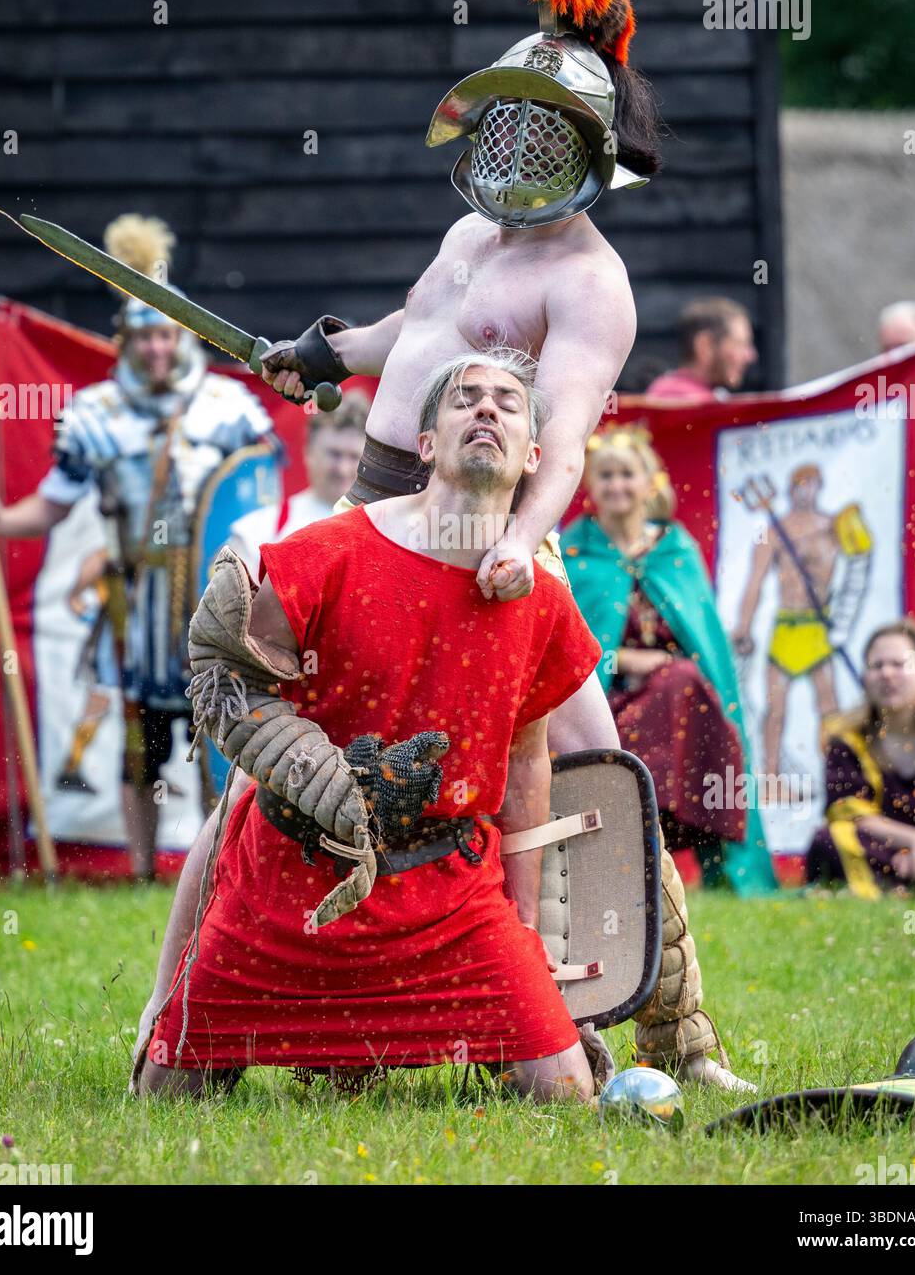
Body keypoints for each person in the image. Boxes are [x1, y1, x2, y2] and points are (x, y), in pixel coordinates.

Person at [253, 0, 751, 1090]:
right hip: (373, 515)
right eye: (506, 119)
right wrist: (323, 350)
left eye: (541, 124)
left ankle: (670, 1033)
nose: (517, 142)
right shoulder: (470, 237)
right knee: (299, 750)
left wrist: (522, 543)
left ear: (578, 146)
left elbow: (564, 440)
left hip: (491, 530)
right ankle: (293, 1022)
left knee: (591, 754)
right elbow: (413, 335)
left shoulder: (588, 281)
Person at [133, 354, 606, 1101]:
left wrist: (525, 931)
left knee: (563, 1094)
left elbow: (525, 769)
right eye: (464, 398)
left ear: (534, 457)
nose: (485, 410)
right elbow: (234, 689)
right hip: (290, 882)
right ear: (423, 445)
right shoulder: (323, 555)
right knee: (167, 1096)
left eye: (508, 404)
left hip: (449, 895)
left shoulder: (542, 603)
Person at [0, 214, 276, 879]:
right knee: (143, 747)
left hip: (213, 601)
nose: (158, 349)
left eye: (167, 334)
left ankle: (215, 863)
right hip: (135, 607)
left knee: (216, 735)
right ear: (125, 341)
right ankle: (141, 869)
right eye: (145, 337)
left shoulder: (229, 408)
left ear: (183, 335)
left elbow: (259, 500)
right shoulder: (95, 415)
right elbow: (52, 503)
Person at [561, 427, 774, 895]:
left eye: (626, 474)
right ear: (590, 487)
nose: (617, 485)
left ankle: (711, 851)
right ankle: (633, 840)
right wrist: (626, 658)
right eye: (606, 476)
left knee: (689, 684)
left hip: (682, 702)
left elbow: (704, 641)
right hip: (607, 705)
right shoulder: (574, 551)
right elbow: (569, 649)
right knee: (680, 682)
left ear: (649, 482)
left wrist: (667, 665)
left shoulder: (675, 550)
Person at [807, 619, 915, 897]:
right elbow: (849, 813)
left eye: (899, 665)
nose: (887, 674)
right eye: (877, 666)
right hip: (885, 848)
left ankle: (901, 883)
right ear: (865, 678)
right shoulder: (847, 739)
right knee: (829, 841)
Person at [732, 463, 873, 783]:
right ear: (791, 488)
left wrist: (843, 622)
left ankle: (840, 775)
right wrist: (744, 628)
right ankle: (770, 778)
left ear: (818, 486)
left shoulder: (833, 527)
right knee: (776, 706)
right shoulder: (774, 532)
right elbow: (754, 582)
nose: (804, 490)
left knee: (829, 706)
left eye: (810, 483)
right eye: (799, 484)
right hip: (786, 627)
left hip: (818, 628)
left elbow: (859, 568)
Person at [228, 389, 368, 582]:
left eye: (354, 457)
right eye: (334, 454)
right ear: (308, 451)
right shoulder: (257, 531)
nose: (343, 469)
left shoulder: (385, 530)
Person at [645, 297, 757, 401]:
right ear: (705, 345)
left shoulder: (700, 395)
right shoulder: (679, 398)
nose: (750, 356)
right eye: (739, 344)